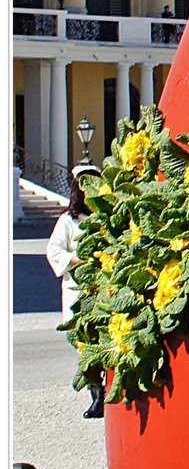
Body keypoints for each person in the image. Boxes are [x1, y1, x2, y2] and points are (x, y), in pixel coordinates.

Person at [46, 168, 104, 418]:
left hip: (102, 290)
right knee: (84, 343)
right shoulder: (69, 221)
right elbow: (54, 251)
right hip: (77, 291)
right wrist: (76, 259)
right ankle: (96, 393)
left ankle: (104, 392)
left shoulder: (104, 217)